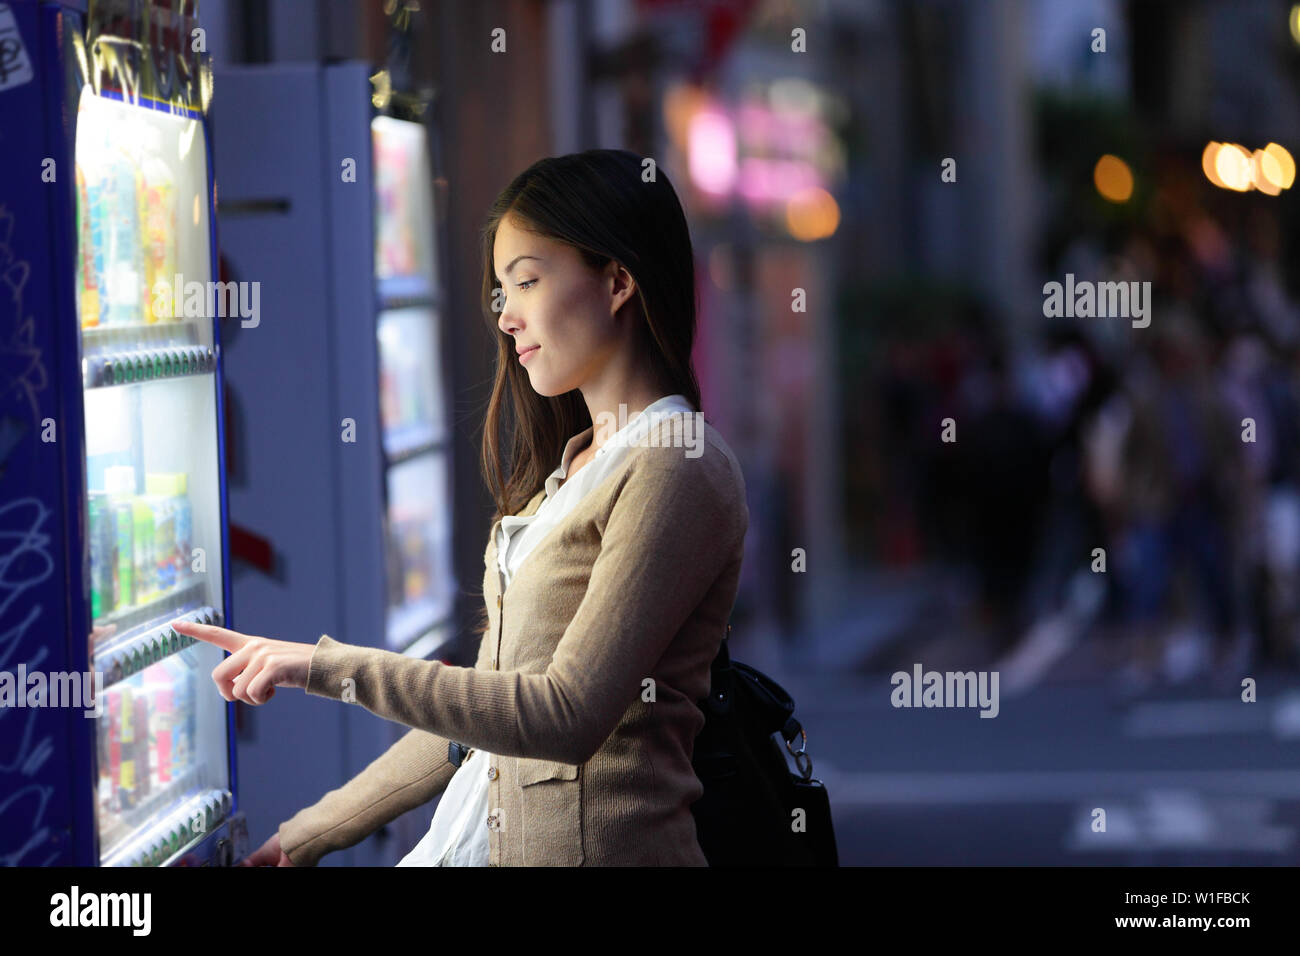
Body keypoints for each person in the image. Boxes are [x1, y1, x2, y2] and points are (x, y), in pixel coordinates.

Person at [172, 149, 749, 866]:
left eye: (528, 282)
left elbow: (563, 716)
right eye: (501, 293)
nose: (506, 318)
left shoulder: (676, 464)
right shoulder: (573, 467)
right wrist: (311, 835)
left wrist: (322, 666)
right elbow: (475, 727)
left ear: (618, 281)